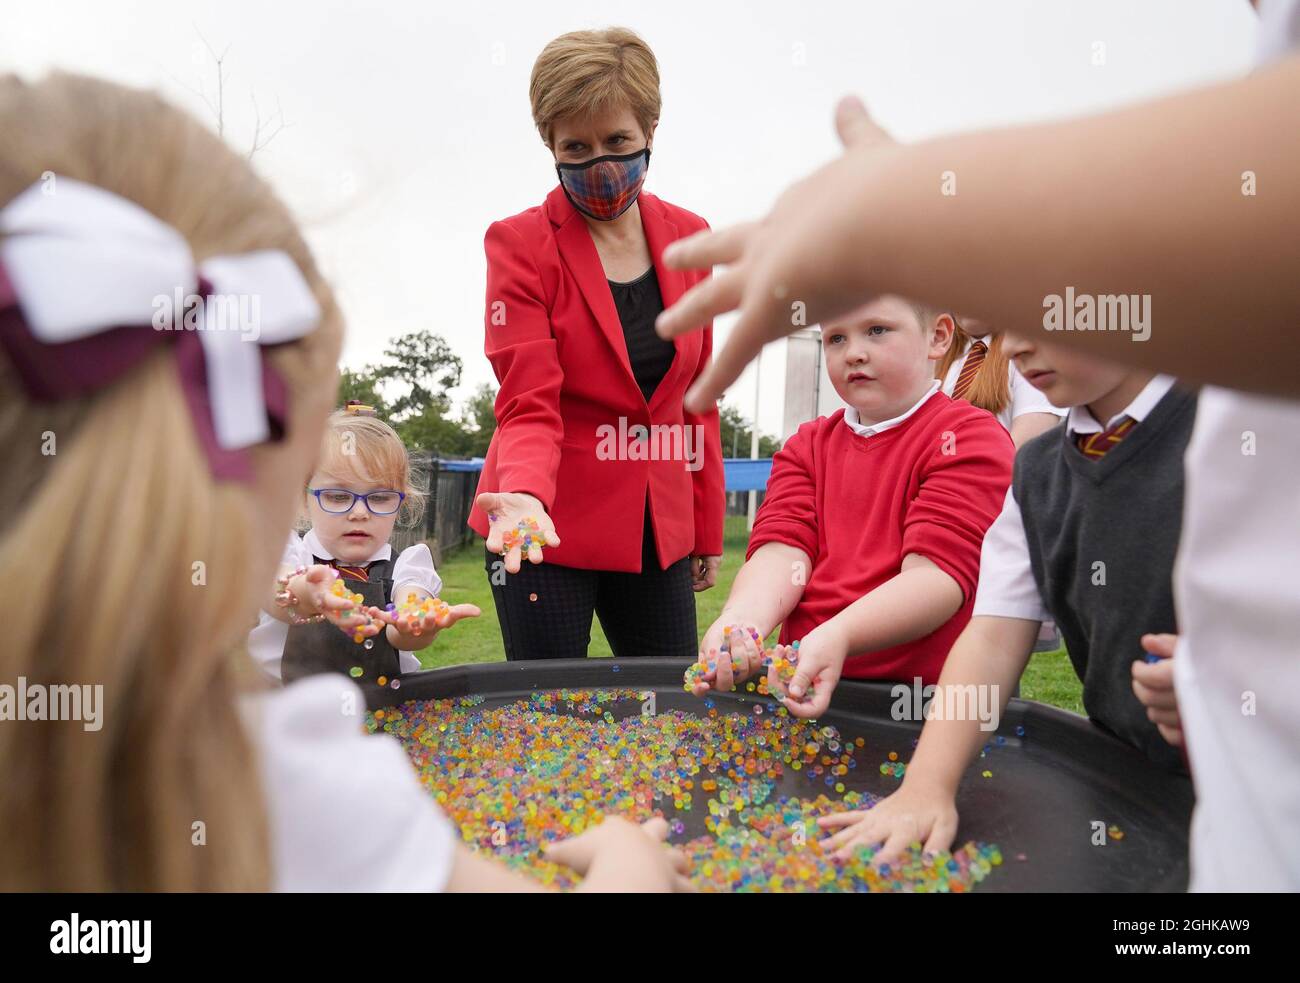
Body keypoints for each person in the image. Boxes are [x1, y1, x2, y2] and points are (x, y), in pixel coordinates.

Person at [655, 0, 1300, 890]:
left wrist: (1244, 683)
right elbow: (991, 639)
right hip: (1153, 797)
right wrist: (926, 782)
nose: (1020, 346)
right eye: (1003, 328)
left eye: (1042, 311)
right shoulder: (1040, 472)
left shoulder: (1233, 410)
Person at [469, 27, 725, 661]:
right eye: (575, 147)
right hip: (542, 522)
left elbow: (697, 395)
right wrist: (525, 496)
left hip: (655, 524)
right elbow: (529, 399)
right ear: (550, 145)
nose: (600, 163)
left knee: (670, 713)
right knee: (550, 718)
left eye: (617, 141)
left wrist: (705, 524)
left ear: (650, 130)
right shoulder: (519, 244)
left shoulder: (692, 239)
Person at [689, 299, 1013, 713]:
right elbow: (782, 551)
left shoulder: (970, 437)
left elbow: (936, 580)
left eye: (877, 330)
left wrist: (837, 635)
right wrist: (743, 620)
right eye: (836, 338)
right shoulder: (807, 445)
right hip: (801, 689)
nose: (854, 352)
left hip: (921, 705)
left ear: (938, 337)